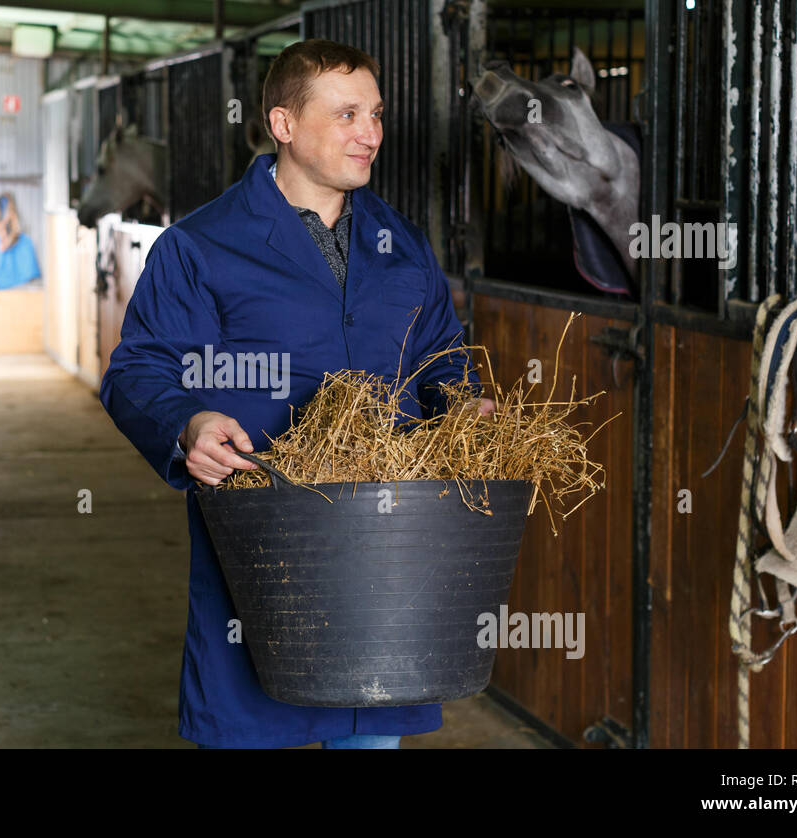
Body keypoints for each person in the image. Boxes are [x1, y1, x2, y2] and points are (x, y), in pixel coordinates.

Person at [100, 39, 495, 749]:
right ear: (283, 124)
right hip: (263, 549)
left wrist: (463, 406)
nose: (370, 133)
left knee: (369, 734)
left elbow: (443, 358)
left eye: (374, 114)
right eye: (346, 114)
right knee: (254, 714)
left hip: (384, 562)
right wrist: (187, 421)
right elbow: (139, 369)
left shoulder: (401, 244)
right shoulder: (202, 247)